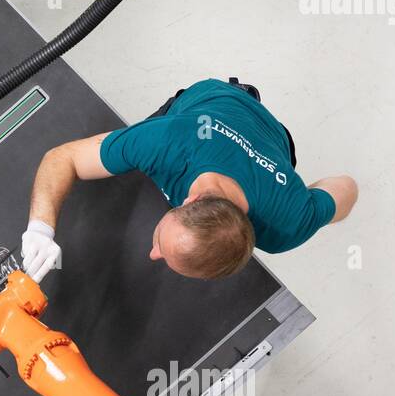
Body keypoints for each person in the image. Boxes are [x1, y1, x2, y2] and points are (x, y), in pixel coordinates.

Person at [21, 78, 358, 281]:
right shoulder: (163, 142)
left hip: (275, 138)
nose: (153, 254)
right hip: (210, 100)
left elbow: (347, 187)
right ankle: (243, 94)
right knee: (125, 156)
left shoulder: (290, 223)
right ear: (190, 200)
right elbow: (61, 157)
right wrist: (40, 229)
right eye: (161, 246)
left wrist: (304, 204)